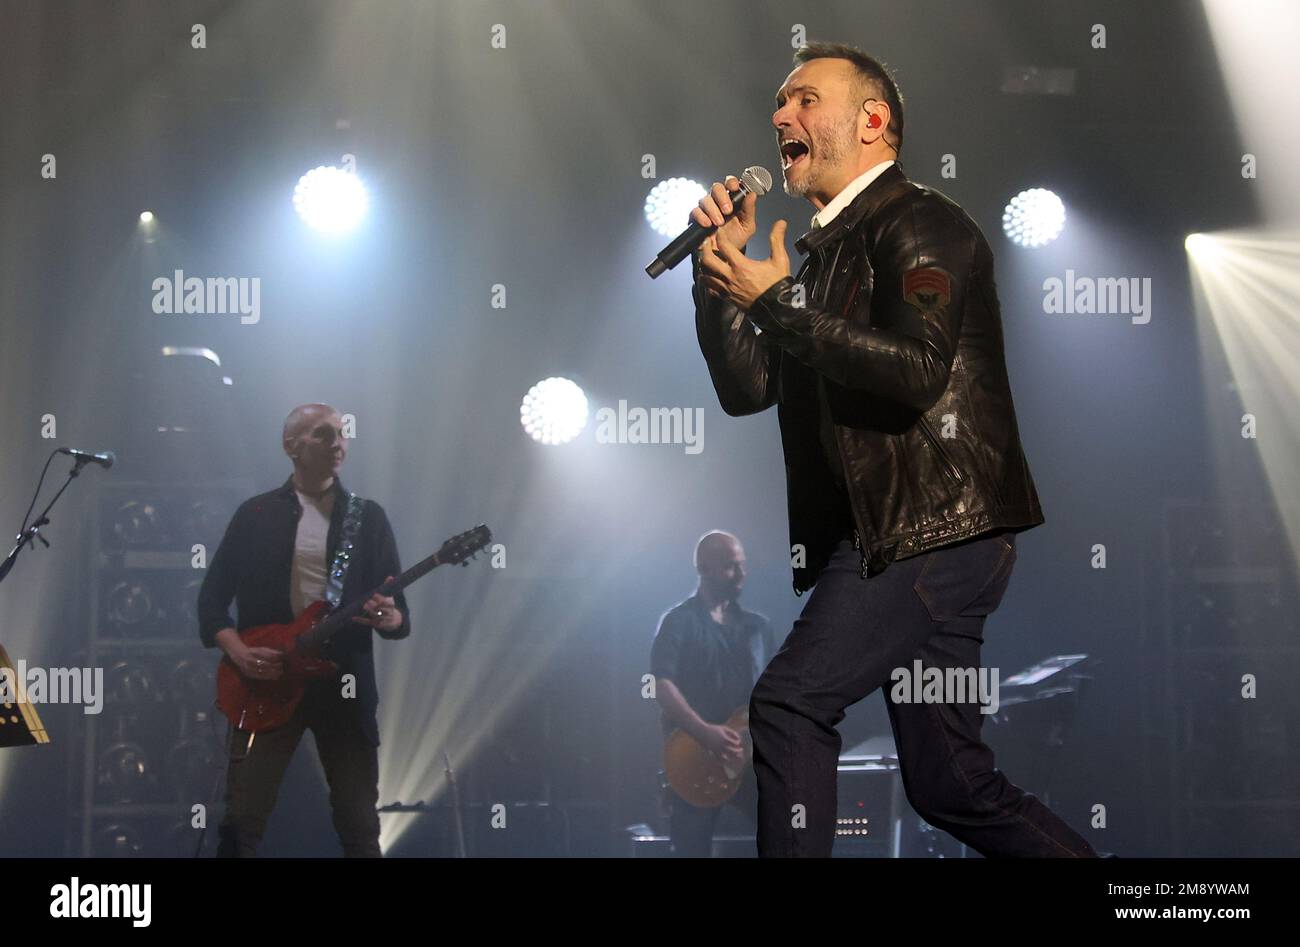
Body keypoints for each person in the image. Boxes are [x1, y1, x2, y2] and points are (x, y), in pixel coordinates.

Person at [690, 42, 1098, 857]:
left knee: (789, 703)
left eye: (804, 100)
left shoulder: (921, 221)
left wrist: (776, 303)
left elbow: (917, 371)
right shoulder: (822, 253)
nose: (780, 117)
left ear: (872, 120)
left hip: (932, 527)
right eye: (779, 105)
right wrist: (720, 285)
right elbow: (747, 389)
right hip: (902, 535)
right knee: (952, 784)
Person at [197, 403, 410, 857]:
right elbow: (211, 603)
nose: (338, 443)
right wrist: (240, 653)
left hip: (343, 685)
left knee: (359, 824)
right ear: (291, 447)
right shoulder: (254, 514)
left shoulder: (367, 518)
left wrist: (389, 617)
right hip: (266, 681)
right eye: (323, 434)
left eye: (341, 434)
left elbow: (397, 614)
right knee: (241, 823)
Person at [649, 531, 780, 856]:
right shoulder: (679, 622)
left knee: (785, 834)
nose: (740, 573)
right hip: (696, 758)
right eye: (730, 566)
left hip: (750, 757)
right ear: (704, 567)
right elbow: (662, 686)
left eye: (742, 565)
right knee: (692, 849)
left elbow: (775, 693)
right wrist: (706, 733)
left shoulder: (758, 628)